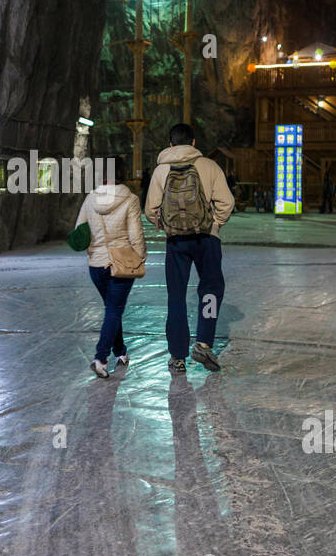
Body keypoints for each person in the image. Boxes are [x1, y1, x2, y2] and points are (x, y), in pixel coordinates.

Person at [144, 123, 234, 373]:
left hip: (176, 242)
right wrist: (214, 224)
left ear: (170, 144)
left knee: (176, 296)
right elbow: (226, 202)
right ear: (193, 143)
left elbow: (150, 210)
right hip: (207, 239)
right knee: (211, 290)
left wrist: (167, 225)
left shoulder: (161, 171)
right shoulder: (209, 166)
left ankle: (177, 356)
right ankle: (204, 342)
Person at [74, 159, 146, 378]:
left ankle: (120, 351)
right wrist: (140, 257)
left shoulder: (90, 198)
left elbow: (79, 230)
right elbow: (135, 234)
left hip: (96, 265)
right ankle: (101, 358)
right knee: (114, 310)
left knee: (112, 309)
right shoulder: (130, 199)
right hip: (121, 262)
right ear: (123, 174)